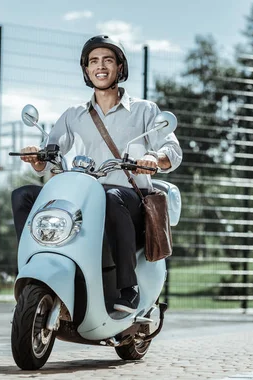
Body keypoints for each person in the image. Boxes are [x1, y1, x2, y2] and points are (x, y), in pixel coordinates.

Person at [11, 35, 182, 313]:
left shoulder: (144, 111)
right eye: (93, 61)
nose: (100, 66)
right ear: (86, 70)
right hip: (85, 199)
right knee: (24, 196)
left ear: (119, 68)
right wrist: (37, 157)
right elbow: (50, 152)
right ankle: (33, 268)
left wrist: (152, 157)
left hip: (129, 200)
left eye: (107, 60)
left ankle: (128, 288)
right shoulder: (73, 115)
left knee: (111, 196)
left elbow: (172, 149)